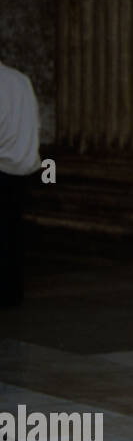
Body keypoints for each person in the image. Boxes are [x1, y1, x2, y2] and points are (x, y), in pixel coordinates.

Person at [0, 61, 41, 307]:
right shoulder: (21, 80)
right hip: (22, 168)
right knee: (12, 230)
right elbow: (35, 122)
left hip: (2, 164)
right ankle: (12, 289)